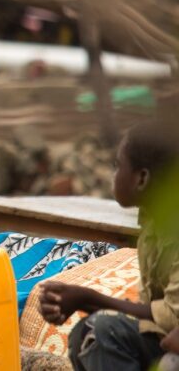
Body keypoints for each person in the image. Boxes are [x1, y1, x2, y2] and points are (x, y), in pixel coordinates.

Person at [39, 121, 179, 371]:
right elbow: (151, 315)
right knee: (84, 333)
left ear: (142, 179)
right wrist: (80, 301)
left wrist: (92, 297)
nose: (114, 176)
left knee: (106, 331)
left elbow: (170, 316)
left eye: (118, 167)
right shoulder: (152, 229)